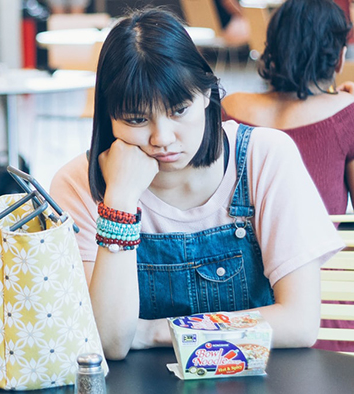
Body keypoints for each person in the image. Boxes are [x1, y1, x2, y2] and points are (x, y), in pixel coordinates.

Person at [49, 8, 343, 359]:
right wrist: (121, 201)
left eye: (178, 110)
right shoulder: (78, 184)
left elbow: (299, 323)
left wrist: (161, 330)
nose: (163, 138)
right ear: (109, 118)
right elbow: (110, 341)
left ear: (206, 94)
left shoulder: (263, 157)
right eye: (137, 118)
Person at [222, 0, 354, 352]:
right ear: (338, 57)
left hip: (233, 293)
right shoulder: (347, 116)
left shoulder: (229, 108)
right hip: (322, 304)